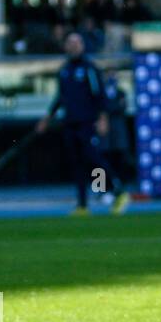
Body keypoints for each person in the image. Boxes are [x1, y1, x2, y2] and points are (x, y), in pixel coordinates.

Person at [35, 32, 131, 216]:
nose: (73, 46)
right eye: (70, 43)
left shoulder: (90, 69)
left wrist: (102, 118)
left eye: (76, 42)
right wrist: (47, 118)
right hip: (70, 122)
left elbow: (100, 95)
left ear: (83, 46)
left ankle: (116, 191)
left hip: (88, 122)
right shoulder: (64, 70)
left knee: (95, 159)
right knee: (77, 163)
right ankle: (82, 205)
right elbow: (60, 98)